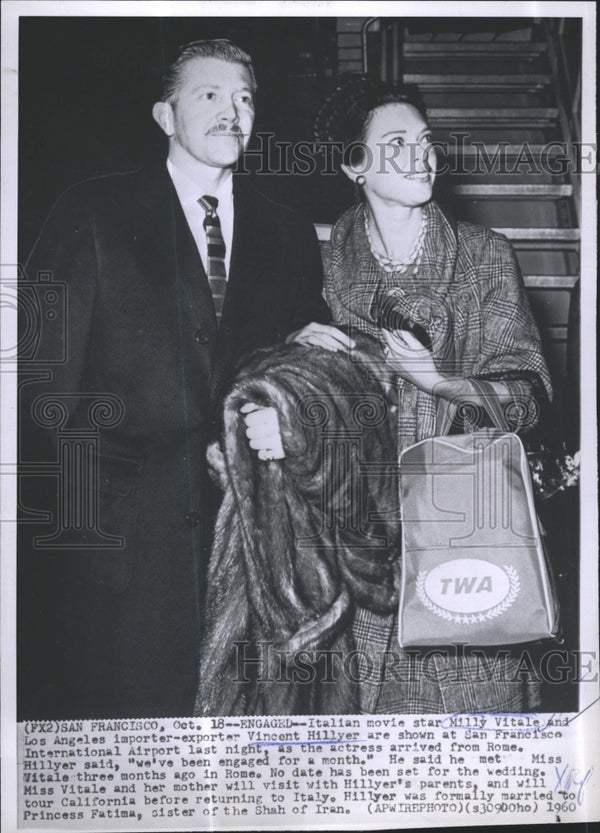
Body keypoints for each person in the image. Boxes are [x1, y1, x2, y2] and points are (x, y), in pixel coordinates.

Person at [18, 39, 333, 720]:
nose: (233, 111)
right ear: (165, 115)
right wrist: (90, 526)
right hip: (122, 564)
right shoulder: (90, 212)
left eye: (245, 97)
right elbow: (39, 389)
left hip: (250, 553)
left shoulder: (288, 234)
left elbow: (307, 369)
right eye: (210, 95)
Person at [247, 76, 553, 713]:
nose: (423, 155)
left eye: (425, 140)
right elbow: (283, 399)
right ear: (353, 165)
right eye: (396, 143)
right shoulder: (317, 269)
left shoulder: (485, 257)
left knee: (480, 759)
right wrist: (292, 385)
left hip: (468, 541)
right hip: (360, 558)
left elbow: (528, 397)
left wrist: (438, 382)